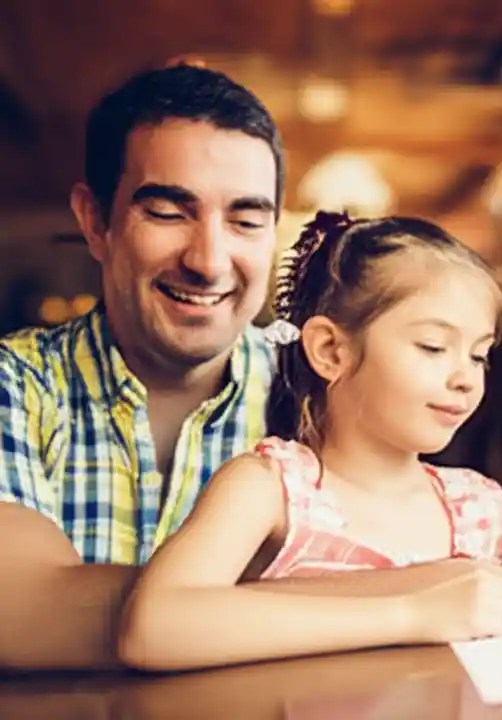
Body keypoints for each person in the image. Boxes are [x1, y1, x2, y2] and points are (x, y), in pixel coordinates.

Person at [117, 212, 502, 671]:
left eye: (479, 355)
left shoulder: (478, 511)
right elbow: (154, 628)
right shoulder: (271, 488)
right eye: (433, 347)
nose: (466, 379)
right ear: (330, 351)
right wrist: (413, 612)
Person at [0, 63, 280, 669]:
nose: (209, 260)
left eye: (246, 221)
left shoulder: (322, 391)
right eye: (169, 212)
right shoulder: (14, 384)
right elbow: (15, 611)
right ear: (95, 221)